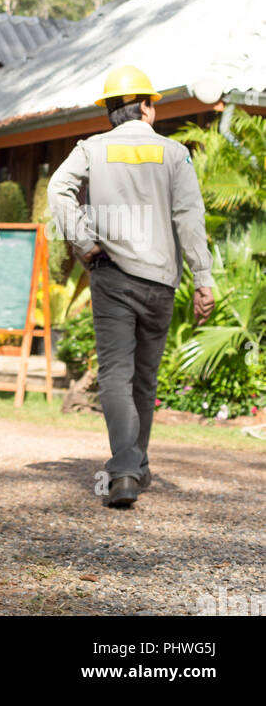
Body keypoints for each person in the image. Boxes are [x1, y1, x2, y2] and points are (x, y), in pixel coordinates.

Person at [48, 64, 214, 509]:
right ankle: (134, 465)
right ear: (146, 107)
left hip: (112, 276)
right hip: (160, 281)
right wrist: (203, 278)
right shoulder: (174, 153)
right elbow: (189, 219)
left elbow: (58, 190)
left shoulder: (91, 149)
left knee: (116, 376)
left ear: (110, 112)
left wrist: (83, 242)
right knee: (144, 378)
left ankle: (126, 468)